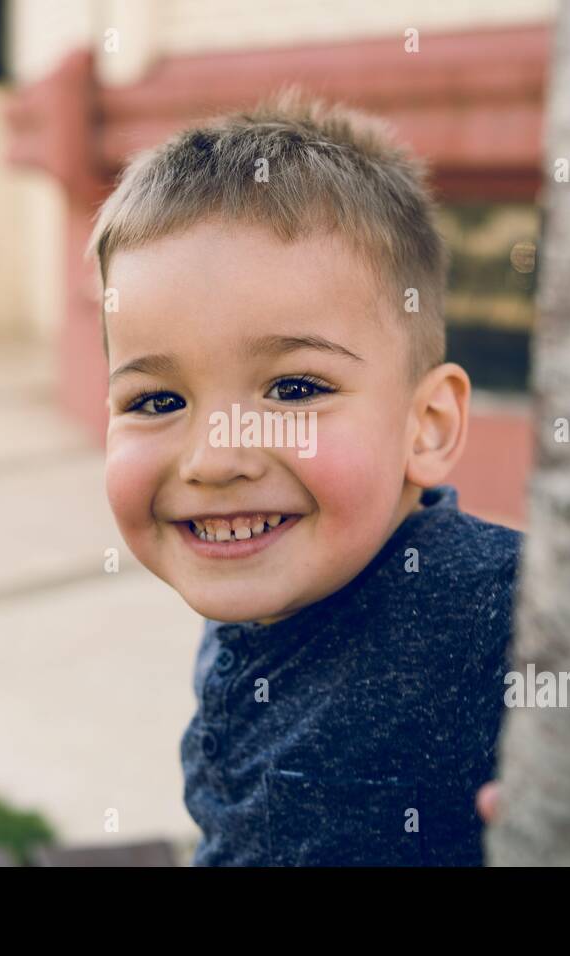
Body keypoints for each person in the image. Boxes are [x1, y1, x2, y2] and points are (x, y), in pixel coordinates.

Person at [90, 92, 521, 865]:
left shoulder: (498, 612)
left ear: (427, 426)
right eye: (157, 400)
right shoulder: (259, 595)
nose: (216, 459)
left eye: (294, 390)